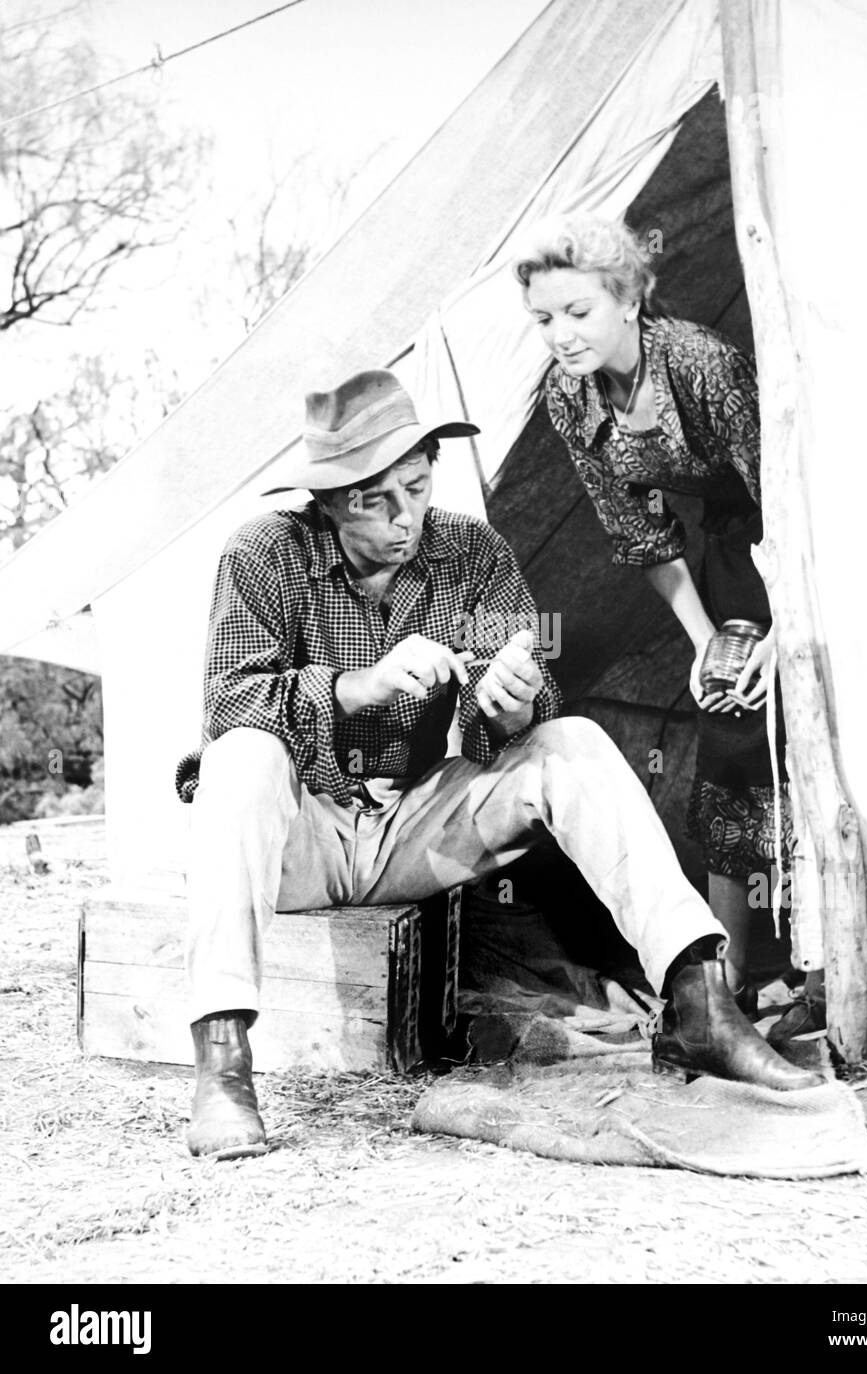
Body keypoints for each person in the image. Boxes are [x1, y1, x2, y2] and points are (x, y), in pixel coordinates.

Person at [175, 369, 821, 1160]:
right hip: (299, 842)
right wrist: (360, 686)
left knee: (571, 740)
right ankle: (224, 1068)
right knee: (237, 756)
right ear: (333, 499)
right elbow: (229, 704)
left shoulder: (470, 552)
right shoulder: (263, 552)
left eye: (416, 487)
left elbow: (523, 696)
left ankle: (697, 1004)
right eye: (377, 501)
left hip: (416, 828)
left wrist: (509, 706)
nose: (405, 516)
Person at [514, 213, 791, 1015]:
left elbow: (798, 505)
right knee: (727, 725)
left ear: (629, 299)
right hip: (730, 550)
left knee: (813, 727)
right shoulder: (569, 395)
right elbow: (640, 538)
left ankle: (838, 967)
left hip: (810, 544)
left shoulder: (701, 365)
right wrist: (711, 645)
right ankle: (724, 985)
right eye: (542, 320)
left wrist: (785, 634)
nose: (560, 336)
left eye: (578, 313)